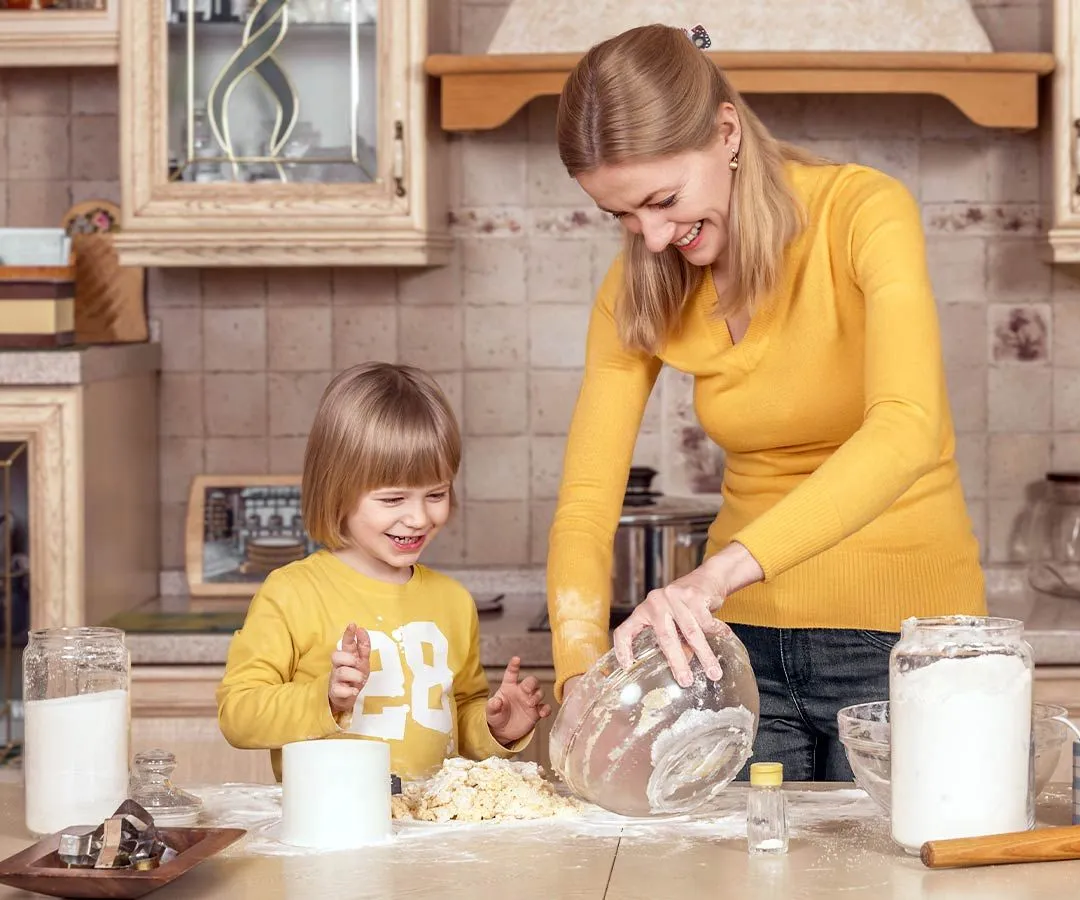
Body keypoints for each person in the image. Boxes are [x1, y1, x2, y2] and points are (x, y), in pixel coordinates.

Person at [545, 24, 986, 782]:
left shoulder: (863, 213)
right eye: (621, 216)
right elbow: (587, 504)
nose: (650, 238)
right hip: (740, 649)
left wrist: (714, 576)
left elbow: (906, 429)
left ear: (726, 132)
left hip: (903, 642)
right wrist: (580, 677)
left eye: (662, 199)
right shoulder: (640, 288)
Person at [217, 362, 551, 780]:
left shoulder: (452, 601)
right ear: (337, 492)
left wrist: (495, 728)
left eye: (436, 494)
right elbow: (239, 715)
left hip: (427, 832)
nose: (417, 517)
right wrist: (325, 699)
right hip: (330, 830)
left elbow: (457, 717)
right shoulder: (292, 593)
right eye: (393, 500)